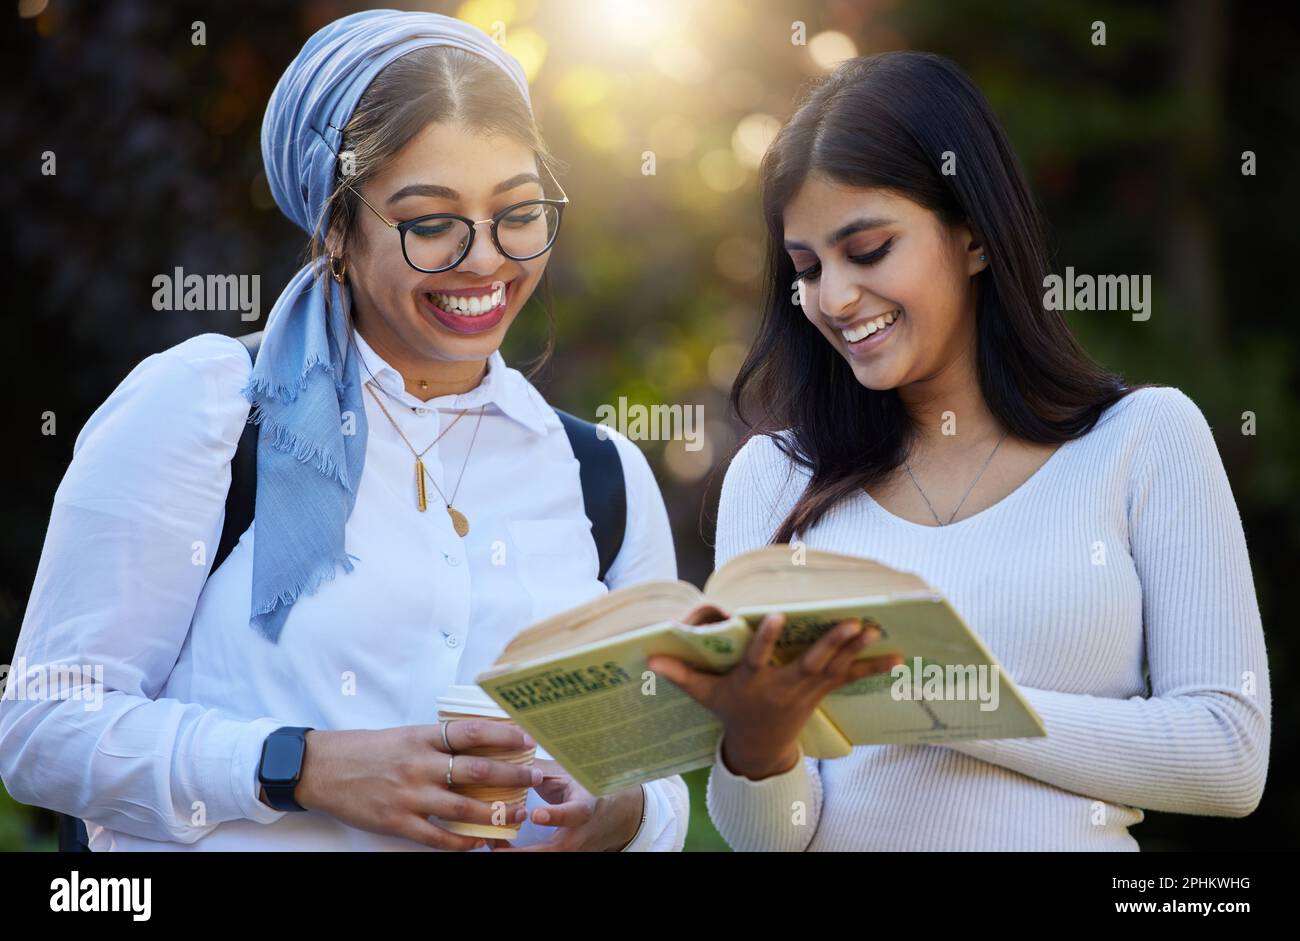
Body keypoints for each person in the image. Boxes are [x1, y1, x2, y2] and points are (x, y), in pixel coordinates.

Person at [0, 10, 688, 852]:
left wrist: (622, 812)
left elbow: (654, 774)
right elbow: (42, 727)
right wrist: (302, 766)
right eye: (430, 221)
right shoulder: (210, 408)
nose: (485, 259)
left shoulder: (601, 474)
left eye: (518, 210)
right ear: (336, 227)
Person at [648, 51, 1270, 851]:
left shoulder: (1144, 439)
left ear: (974, 237)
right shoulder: (776, 478)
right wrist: (760, 742)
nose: (834, 297)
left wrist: (937, 699)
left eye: (868, 249)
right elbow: (769, 839)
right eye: (806, 268)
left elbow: (1227, 756)